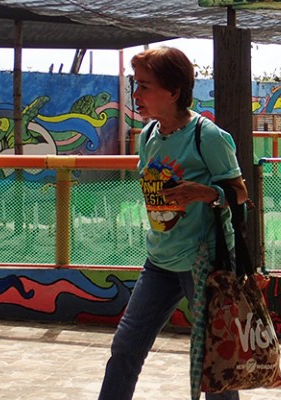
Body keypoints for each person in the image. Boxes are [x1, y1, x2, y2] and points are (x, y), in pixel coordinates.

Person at [98, 47, 247, 400]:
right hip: (160, 260)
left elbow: (239, 193)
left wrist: (203, 192)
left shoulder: (206, 136)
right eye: (136, 85)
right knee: (126, 348)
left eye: (145, 86)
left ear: (175, 91)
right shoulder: (147, 136)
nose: (137, 95)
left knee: (215, 360)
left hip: (204, 263)